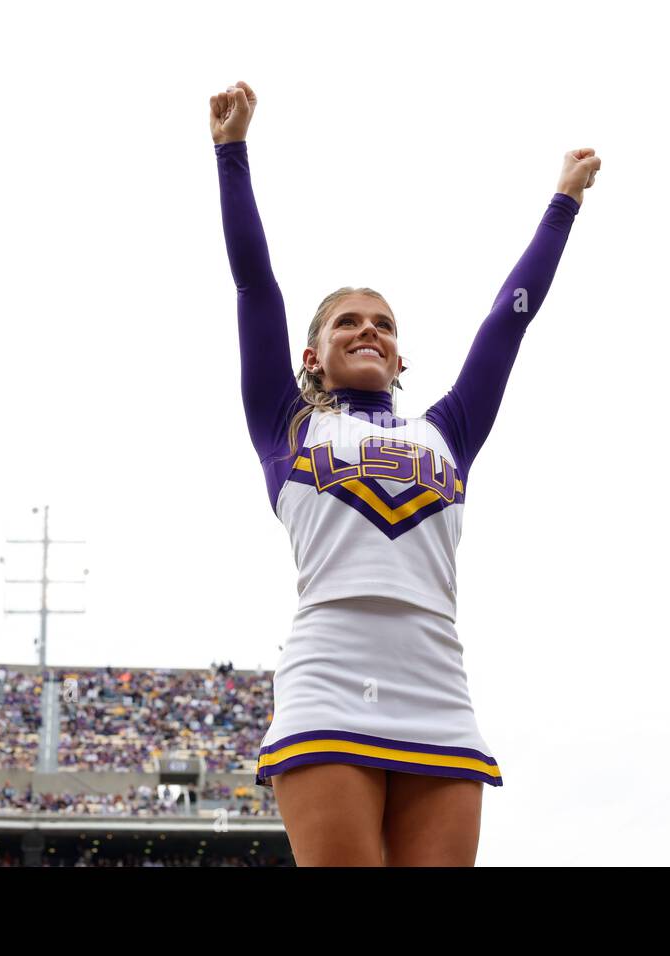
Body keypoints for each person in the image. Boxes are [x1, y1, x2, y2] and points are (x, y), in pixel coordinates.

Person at [210, 80, 599, 866]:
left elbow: (508, 322)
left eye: (383, 324)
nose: (369, 330)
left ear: (397, 352)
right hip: (329, 671)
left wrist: (563, 202)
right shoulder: (287, 423)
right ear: (312, 353)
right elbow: (256, 285)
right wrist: (231, 153)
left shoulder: (448, 431)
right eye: (347, 321)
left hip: (436, 679)